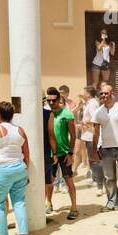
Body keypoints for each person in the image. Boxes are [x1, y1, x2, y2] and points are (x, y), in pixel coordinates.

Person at [0, 101, 32, 235]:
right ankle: (23, 233)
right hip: (19, 168)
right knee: (19, 202)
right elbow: (27, 153)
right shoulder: (20, 130)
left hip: (2, 170)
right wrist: (26, 171)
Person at [92, 84, 118, 211]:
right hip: (106, 148)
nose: (104, 95)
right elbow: (95, 132)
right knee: (109, 178)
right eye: (101, 94)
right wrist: (94, 150)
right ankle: (111, 202)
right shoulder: (98, 112)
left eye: (106, 93)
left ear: (111, 93)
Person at [46, 87, 79, 220]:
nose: (51, 103)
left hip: (64, 153)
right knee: (49, 180)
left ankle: (74, 207)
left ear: (59, 100)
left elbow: (73, 135)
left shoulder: (67, 114)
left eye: (53, 101)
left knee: (68, 179)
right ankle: (48, 203)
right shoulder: (47, 114)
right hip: (50, 153)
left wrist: (70, 154)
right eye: (49, 101)